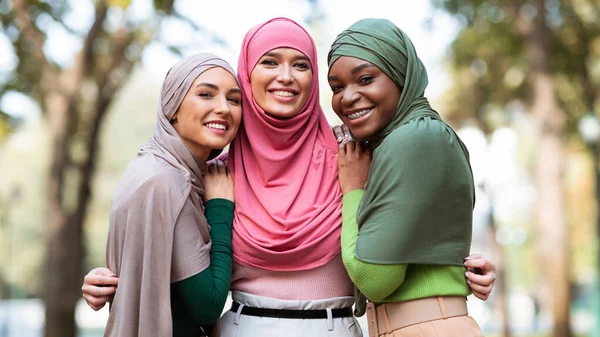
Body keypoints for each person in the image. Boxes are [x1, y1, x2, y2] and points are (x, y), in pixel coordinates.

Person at [82, 18, 496, 337]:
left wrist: (455, 263)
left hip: (337, 327)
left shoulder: (354, 153)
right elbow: (165, 238)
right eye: (269, 62)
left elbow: (414, 208)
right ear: (248, 74)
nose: (286, 76)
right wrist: (110, 280)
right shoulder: (217, 168)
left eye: (301, 64)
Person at [327, 18, 487, 336]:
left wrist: (353, 189)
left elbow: (375, 279)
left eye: (365, 79)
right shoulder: (414, 137)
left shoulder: (412, 140)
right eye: (337, 87)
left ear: (401, 75)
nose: (347, 97)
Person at [100, 53, 241, 337]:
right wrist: (220, 208)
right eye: (206, 94)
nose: (223, 108)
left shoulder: (152, 165)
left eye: (234, 99)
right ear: (173, 106)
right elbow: (209, 306)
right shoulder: (167, 182)